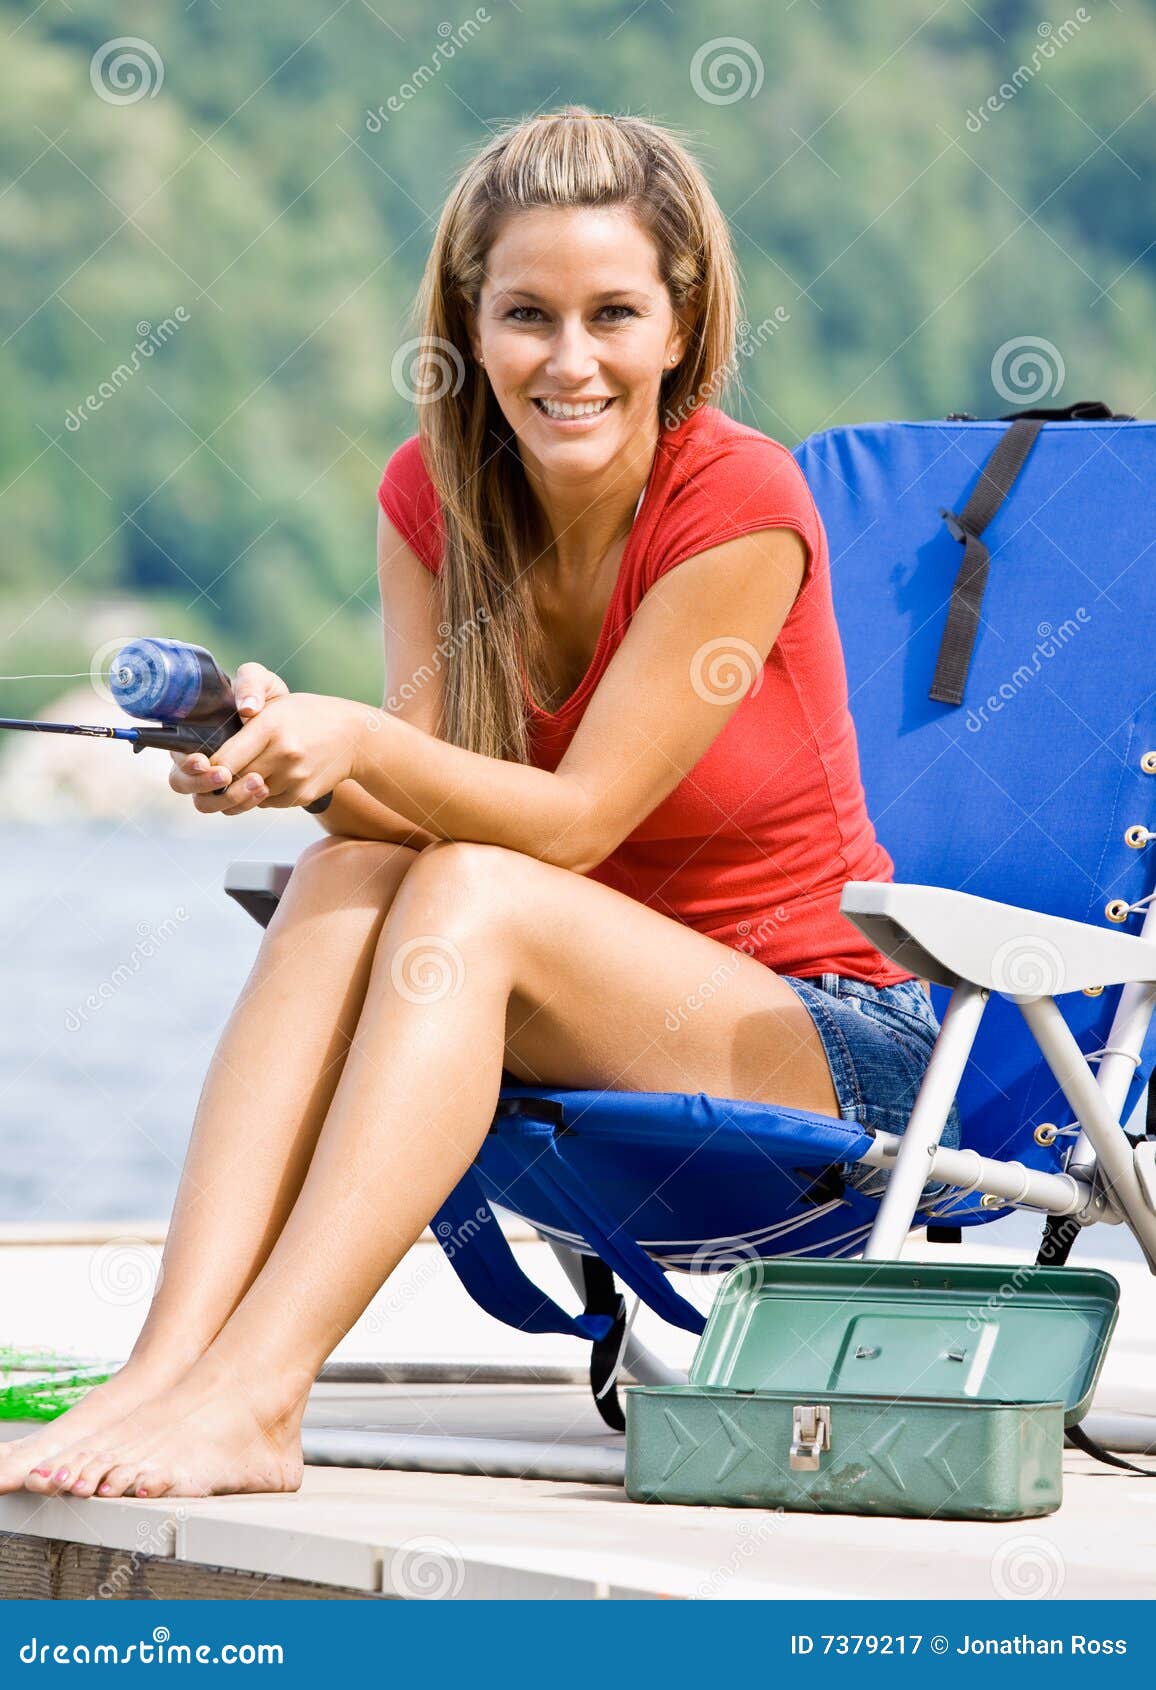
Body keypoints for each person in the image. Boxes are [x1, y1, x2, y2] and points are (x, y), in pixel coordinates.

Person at [1, 106, 956, 1502]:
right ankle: (168, 1369)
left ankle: (261, 1397)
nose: (570, 361)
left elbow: (567, 826)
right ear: (468, 323)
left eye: (613, 313)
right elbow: (414, 812)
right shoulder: (432, 496)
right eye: (527, 316)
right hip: (572, 1008)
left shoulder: (738, 506)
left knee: (472, 891)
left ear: (681, 328)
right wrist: (283, 752)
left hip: (827, 1037)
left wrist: (356, 746)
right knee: (351, 876)